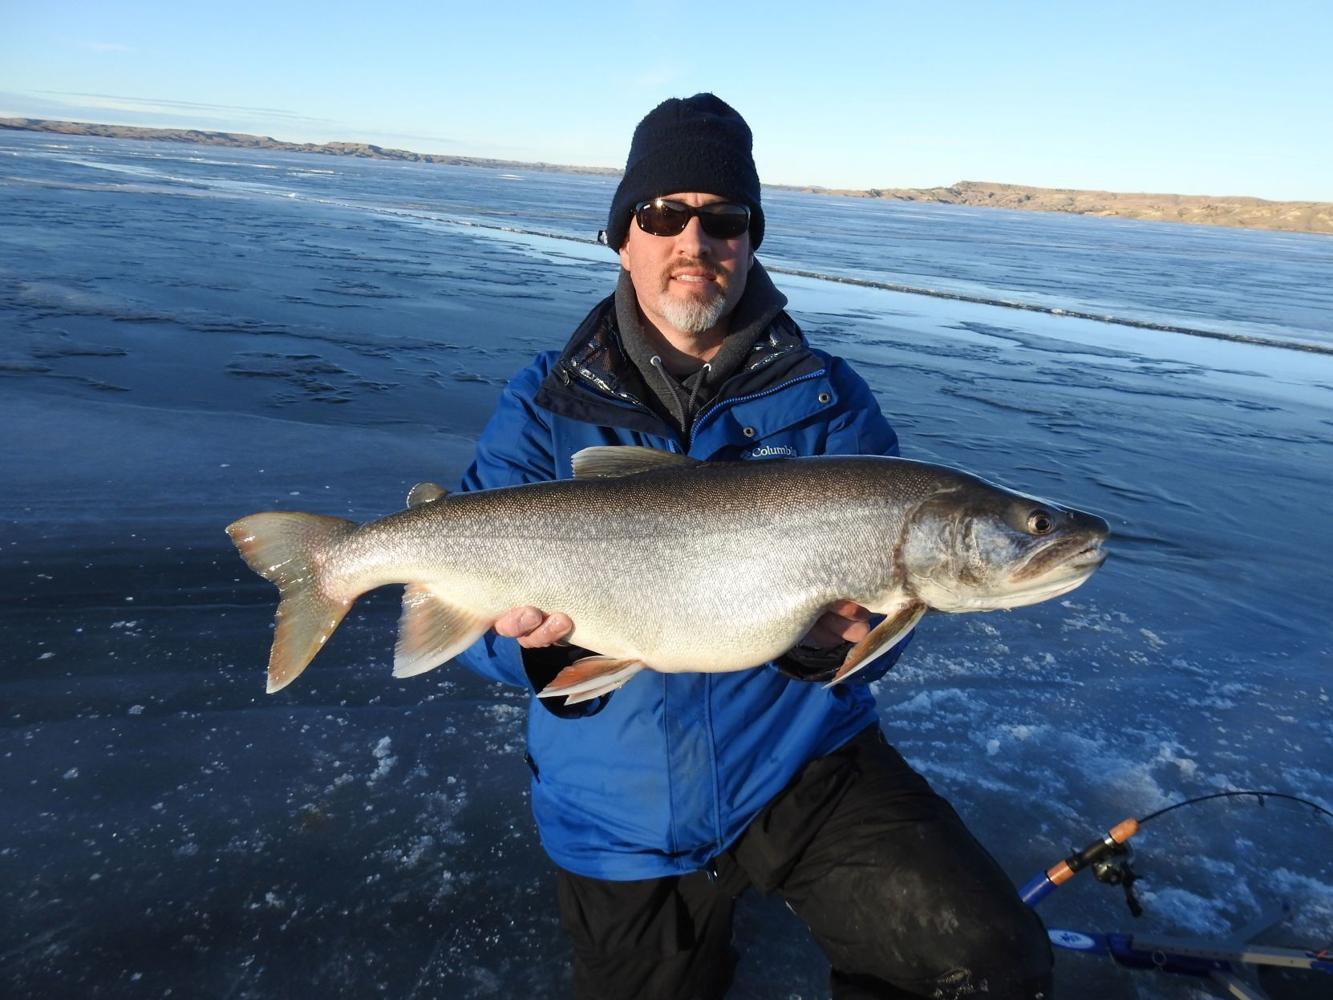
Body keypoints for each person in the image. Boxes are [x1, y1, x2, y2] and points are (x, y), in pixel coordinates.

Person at [455, 94, 1053, 1000]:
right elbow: (467, 623)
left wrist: (831, 652)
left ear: (748, 242)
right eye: (665, 216)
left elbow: (885, 626)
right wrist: (529, 650)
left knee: (988, 963)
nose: (694, 241)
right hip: (617, 801)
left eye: (723, 220)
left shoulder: (829, 402)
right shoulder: (543, 401)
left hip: (803, 767)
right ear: (625, 237)